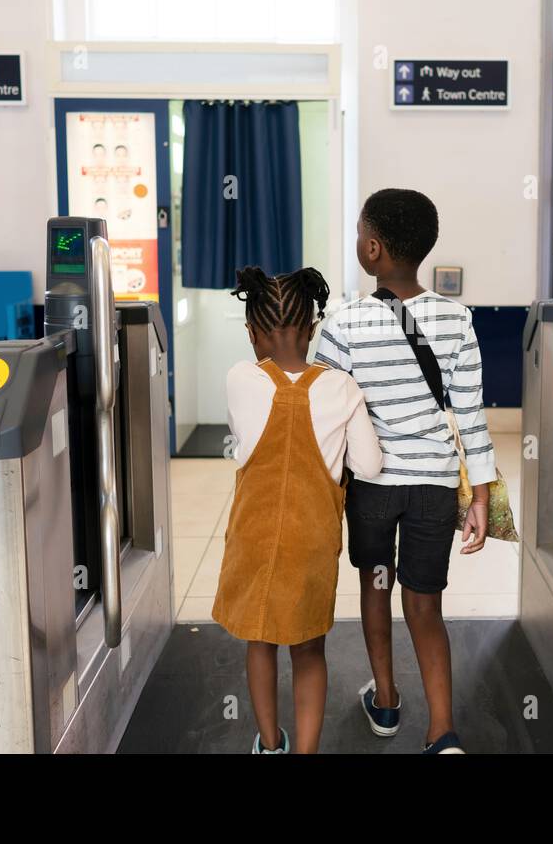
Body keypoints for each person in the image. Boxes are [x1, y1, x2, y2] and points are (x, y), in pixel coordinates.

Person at [316, 188, 496, 754]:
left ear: (372, 249)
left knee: (377, 585)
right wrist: (482, 496)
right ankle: (443, 731)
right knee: (425, 603)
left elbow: (326, 413)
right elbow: (470, 413)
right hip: (434, 486)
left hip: (370, 486)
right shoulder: (457, 319)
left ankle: (388, 701)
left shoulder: (343, 322)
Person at [212, 265, 383, 754]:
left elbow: (245, 441)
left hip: (254, 540)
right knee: (310, 650)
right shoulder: (342, 388)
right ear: (313, 330)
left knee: (260, 640)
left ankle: (270, 743)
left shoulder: (241, 378)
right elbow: (369, 465)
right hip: (311, 544)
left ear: (252, 332)